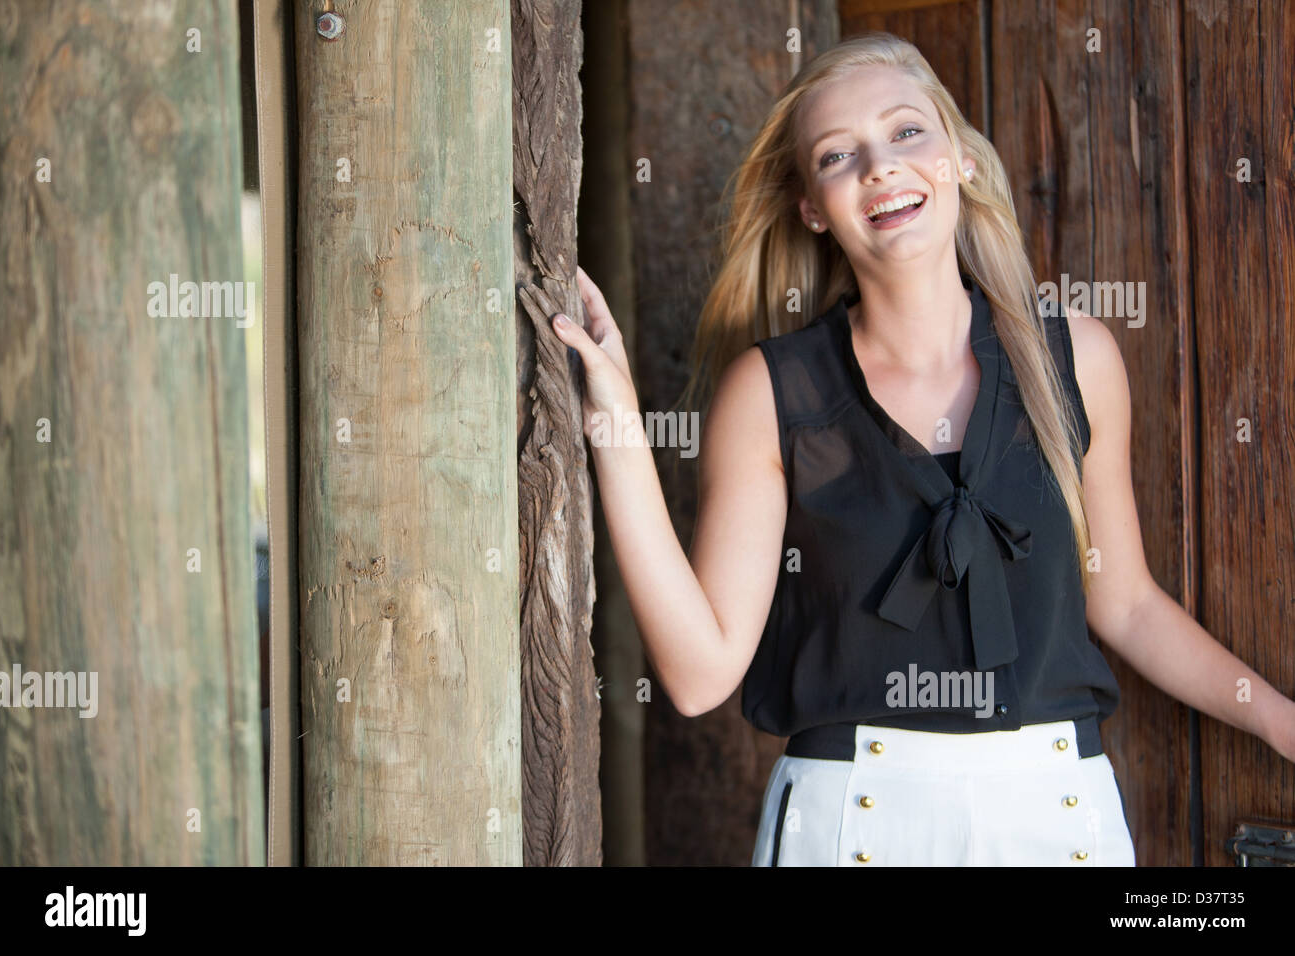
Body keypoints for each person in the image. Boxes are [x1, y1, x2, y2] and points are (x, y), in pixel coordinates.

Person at [548, 31, 1295, 866]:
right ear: (811, 207)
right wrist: (612, 422)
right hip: (851, 819)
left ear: (961, 160)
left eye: (907, 132)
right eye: (839, 155)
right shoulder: (772, 391)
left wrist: (1273, 715)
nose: (880, 166)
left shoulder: (1075, 358)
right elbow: (697, 675)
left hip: (1059, 811)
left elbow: (1122, 603)